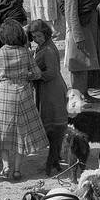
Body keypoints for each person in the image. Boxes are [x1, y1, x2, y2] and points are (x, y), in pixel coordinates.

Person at [0, 20, 47, 181]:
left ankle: (6, 166)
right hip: (24, 95)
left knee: (4, 133)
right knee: (21, 134)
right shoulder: (25, 52)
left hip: (4, 95)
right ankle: (17, 169)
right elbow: (37, 74)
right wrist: (25, 76)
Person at [28, 20, 69, 176]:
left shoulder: (48, 50)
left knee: (54, 128)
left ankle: (52, 162)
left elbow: (51, 72)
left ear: (45, 33)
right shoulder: (44, 46)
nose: (36, 39)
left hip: (52, 92)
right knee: (54, 129)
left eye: (38, 35)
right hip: (49, 91)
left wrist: (34, 75)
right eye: (34, 36)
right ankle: (54, 160)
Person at [64, 0, 100, 95]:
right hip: (78, 32)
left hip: (88, 29)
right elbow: (71, 13)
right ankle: (78, 96)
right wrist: (78, 36)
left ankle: (85, 94)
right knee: (77, 65)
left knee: (86, 63)